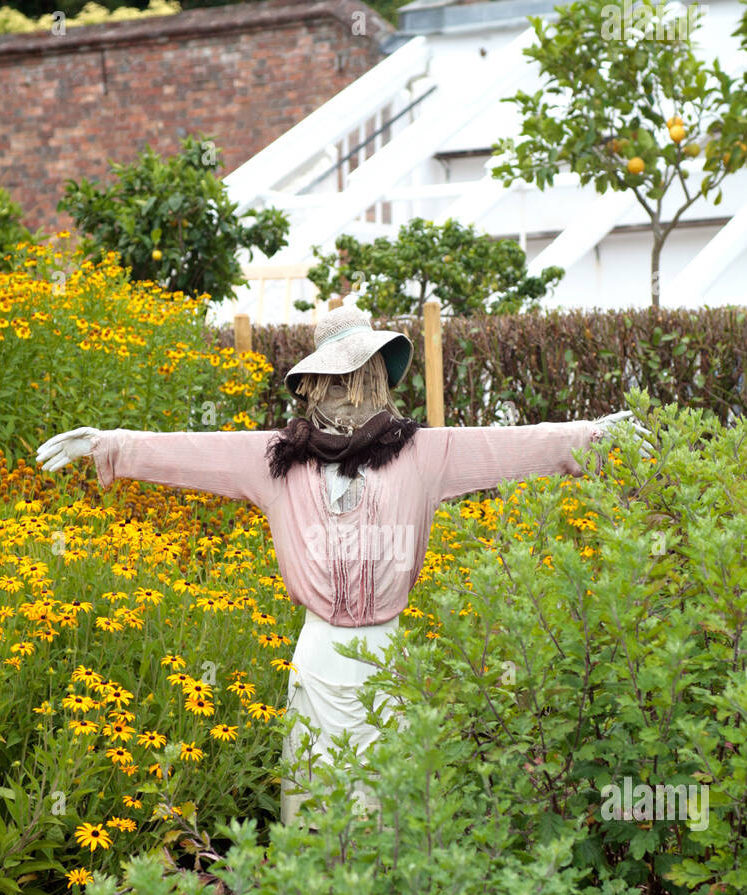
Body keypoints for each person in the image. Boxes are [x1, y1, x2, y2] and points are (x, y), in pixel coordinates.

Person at [36, 303, 641, 826]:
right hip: (319, 653)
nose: (342, 392)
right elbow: (193, 451)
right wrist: (108, 443)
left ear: (377, 379)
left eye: (356, 376)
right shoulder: (278, 460)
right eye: (331, 380)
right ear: (312, 386)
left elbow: (511, 444)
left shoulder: (423, 454)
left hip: (388, 654)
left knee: (391, 802)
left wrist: (590, 435)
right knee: (314, 800)